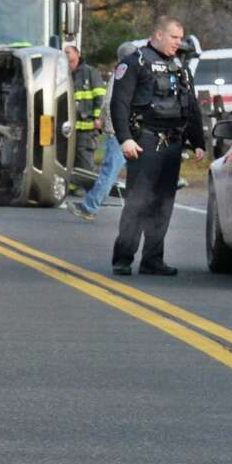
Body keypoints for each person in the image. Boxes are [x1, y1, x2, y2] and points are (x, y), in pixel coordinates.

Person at [108, 16, 205, 276]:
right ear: (158, 35)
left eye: (180, 38)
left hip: (173, 142)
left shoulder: (179, 67)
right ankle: (124, 258)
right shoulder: (135, 62)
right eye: (174, 37)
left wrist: (198, 142)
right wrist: (125, 138)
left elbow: (191, 105)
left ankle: (153, 259)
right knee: (138, 201)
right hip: (145, 141)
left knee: (163, 202)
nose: (178, 43)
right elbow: (119, 103)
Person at [68, 42, 137, 222]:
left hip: (119, 132)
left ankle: (89, 207)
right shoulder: (140, 73)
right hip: (134, 131)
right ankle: (146, 208)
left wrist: (107, 126)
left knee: (109, 171)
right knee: (139, 173)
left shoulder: (121, 74)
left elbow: (109, 103)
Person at [65, 45, 106, 189]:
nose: (66, 55)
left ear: (77, 53)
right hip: (69, 126)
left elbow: (100, 96)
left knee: (84, 156)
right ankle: (72, 185)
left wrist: (97, 117)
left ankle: (87, 187)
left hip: (87, 125)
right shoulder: (64, 73)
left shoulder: (90, 72)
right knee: (70, 155)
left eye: (68, 52)